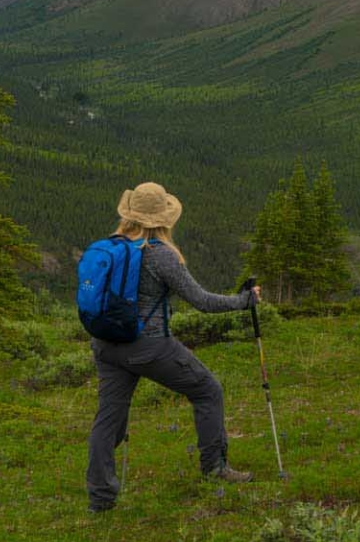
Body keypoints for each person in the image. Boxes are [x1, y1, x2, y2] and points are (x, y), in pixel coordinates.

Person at [86, 181, 262, 513]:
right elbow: (203, 302)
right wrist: (244, 302)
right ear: (164, 219)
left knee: (108, 419)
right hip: (149, 346)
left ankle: (100, 499)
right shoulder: (161, 255)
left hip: (106, 346)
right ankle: (214, 468)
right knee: (208, 390)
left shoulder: (111, 247)